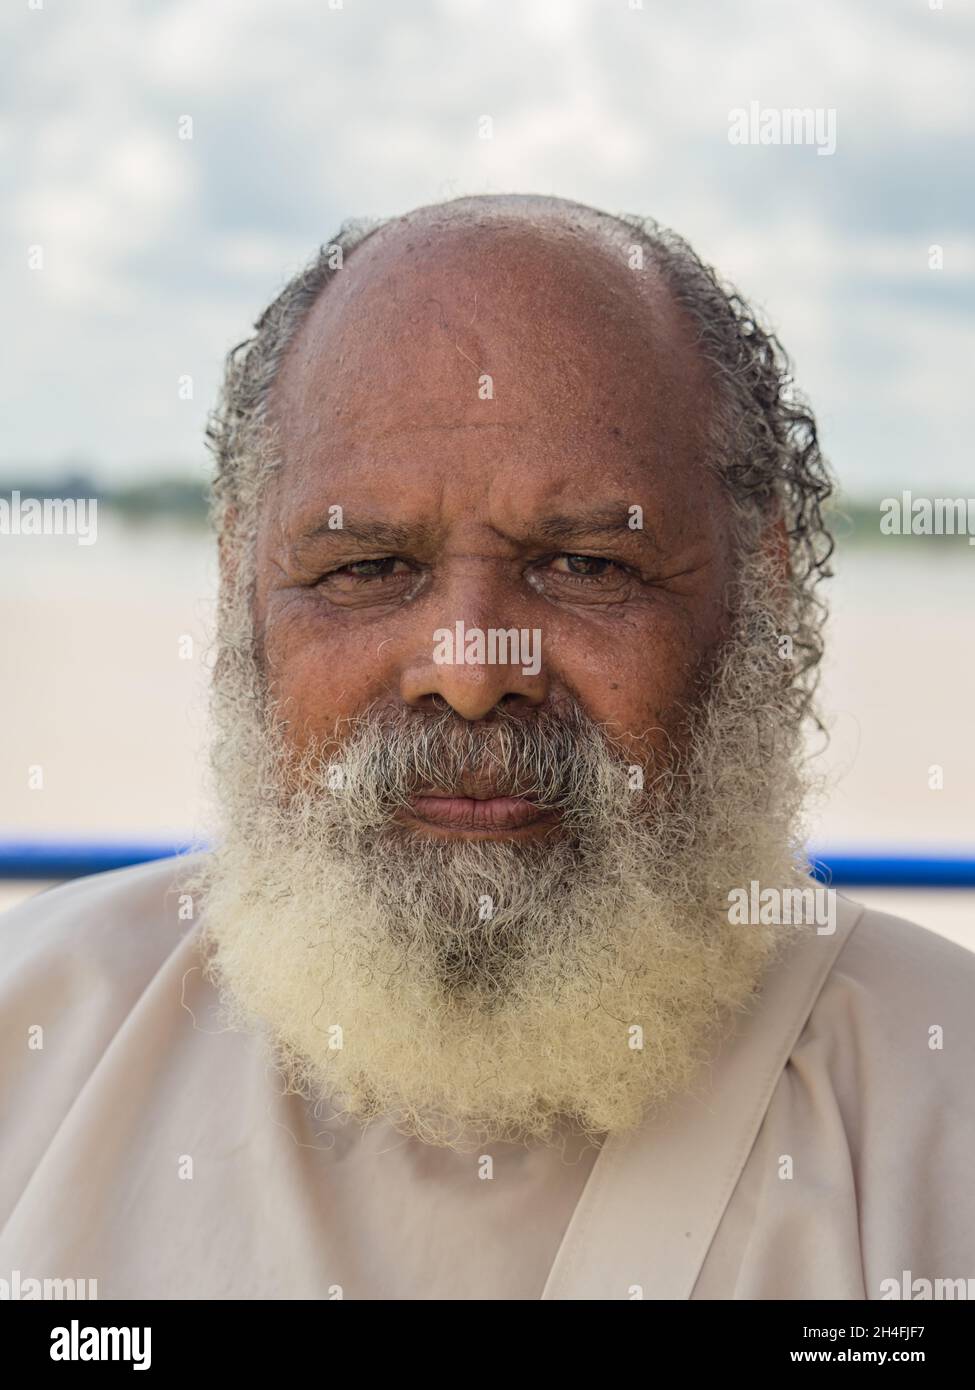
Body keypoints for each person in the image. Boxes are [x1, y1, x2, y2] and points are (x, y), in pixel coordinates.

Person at [2, 195, 972, 1300]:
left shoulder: (942, 1114)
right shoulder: (35, 1041)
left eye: (586, 564)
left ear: (765, 590)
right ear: (239, 585)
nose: (469, 671)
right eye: (367, 568)